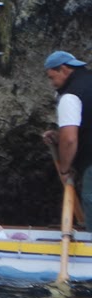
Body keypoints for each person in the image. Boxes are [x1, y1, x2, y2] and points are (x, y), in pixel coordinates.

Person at [44, 50, 92, 227]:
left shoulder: (71, 95)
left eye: (52, 77)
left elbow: (70, 139)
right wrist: (59, 136)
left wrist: (64, 170)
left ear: (63, 70)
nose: (52, 84)